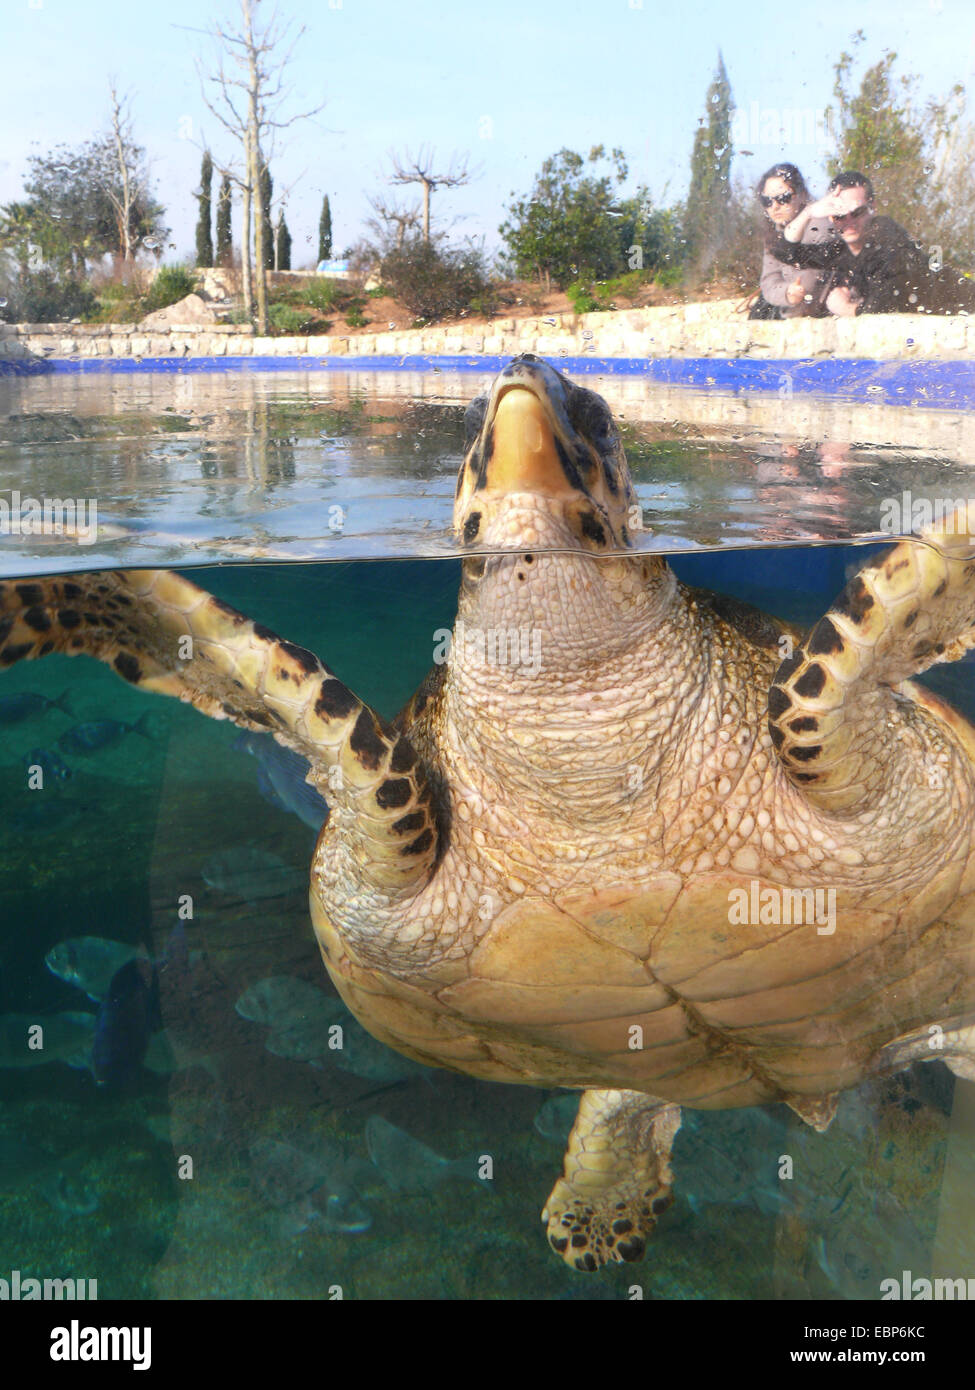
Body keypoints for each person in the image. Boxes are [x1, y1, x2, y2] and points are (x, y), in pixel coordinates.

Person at [770, 170, 975, 316]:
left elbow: (887, 299)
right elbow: (785, 252)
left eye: (856, 212)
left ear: (872, 208)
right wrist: (808, 212)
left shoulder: (887, 236)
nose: (848, 222)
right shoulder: (843, 250)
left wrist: (847, 308)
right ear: (831, 217)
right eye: (840, 215)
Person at [749, 164, 834, 320]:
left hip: (816, 313)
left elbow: (811, 283)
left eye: (783, 198)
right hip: (789, 306)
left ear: (801, 194)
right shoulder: (775, 231)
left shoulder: (818, 225)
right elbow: (769, 280)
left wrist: (791, 299)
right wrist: (786, 292)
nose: (774, 207)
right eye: (766, 201)